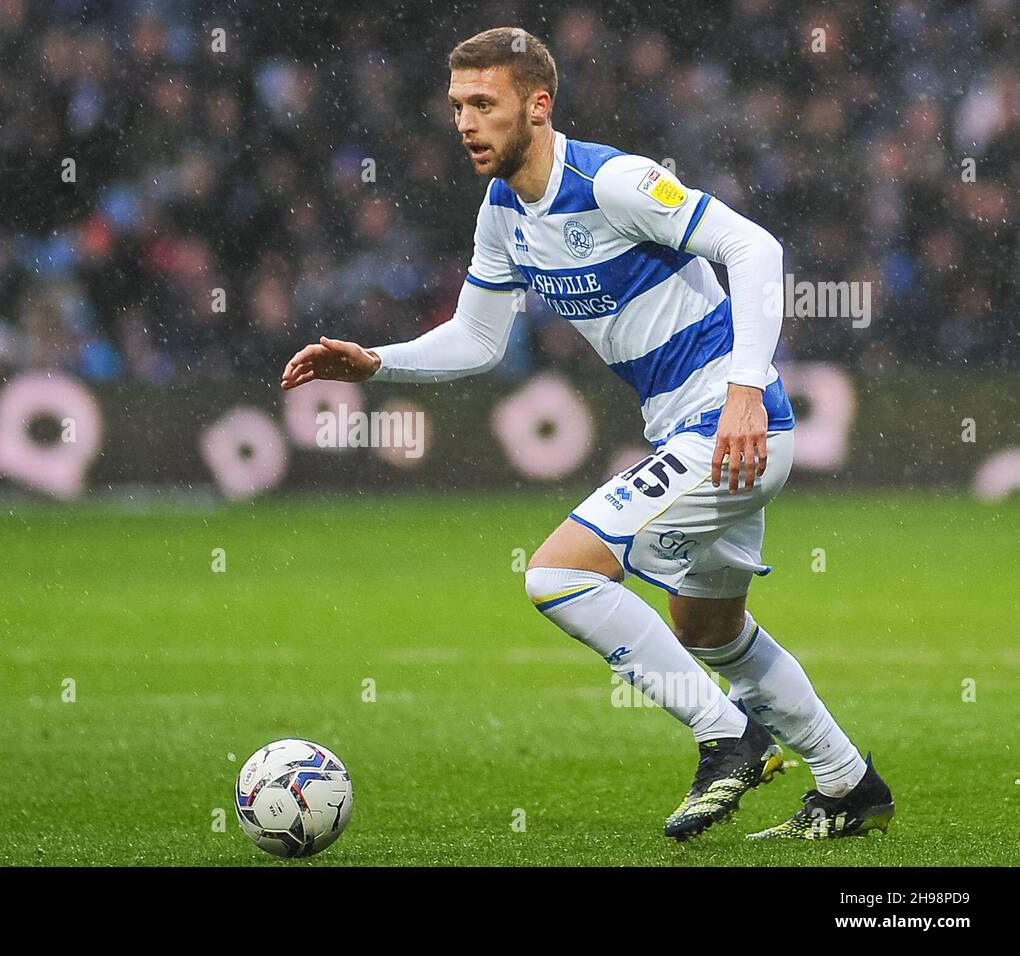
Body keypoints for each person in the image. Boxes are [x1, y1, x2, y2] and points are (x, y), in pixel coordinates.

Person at [280, 27, 894, 841]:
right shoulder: (504, 208)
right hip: (696, 429)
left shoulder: (614, 180)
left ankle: (730, 738)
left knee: (557, 577)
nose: (465, 123)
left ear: (538, 106)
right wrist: (377, 363)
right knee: (707, 628)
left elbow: (755, 247)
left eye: (484, 105)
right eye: (457, 106)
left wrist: (747, 387)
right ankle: (851, 786)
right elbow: (478, 337)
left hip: (731, 421)